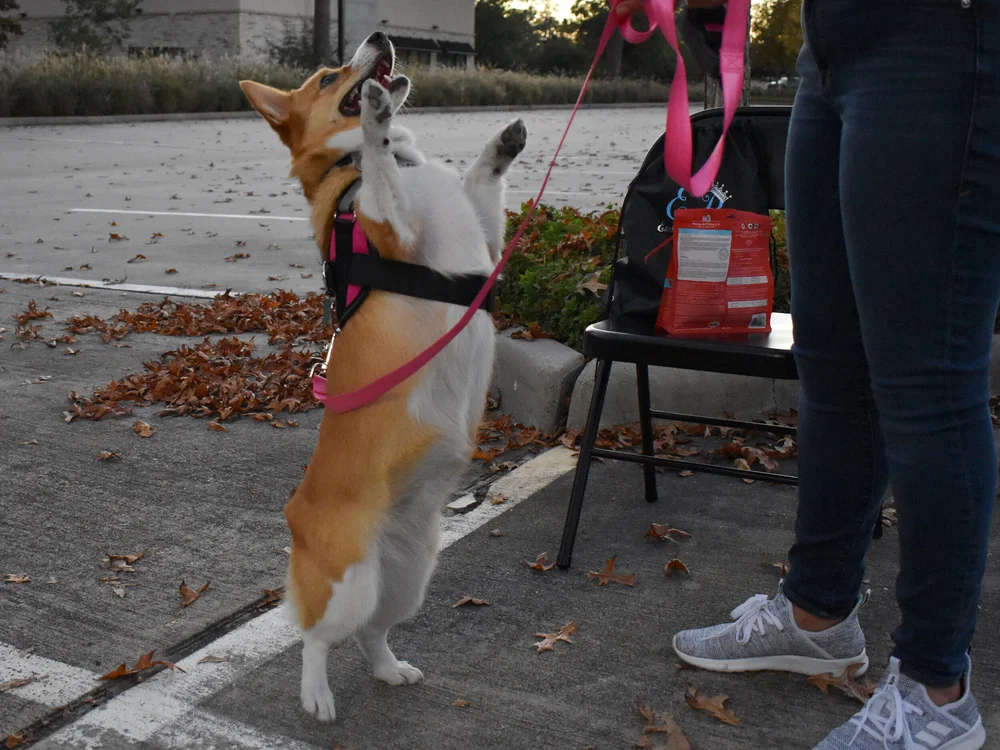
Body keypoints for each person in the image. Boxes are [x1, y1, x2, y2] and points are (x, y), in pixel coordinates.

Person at [616, 0, 999, 747]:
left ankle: (935, 694)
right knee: (831, 360)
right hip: (829, 53)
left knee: (928, 383)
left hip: (942, 42)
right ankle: (817, 615)